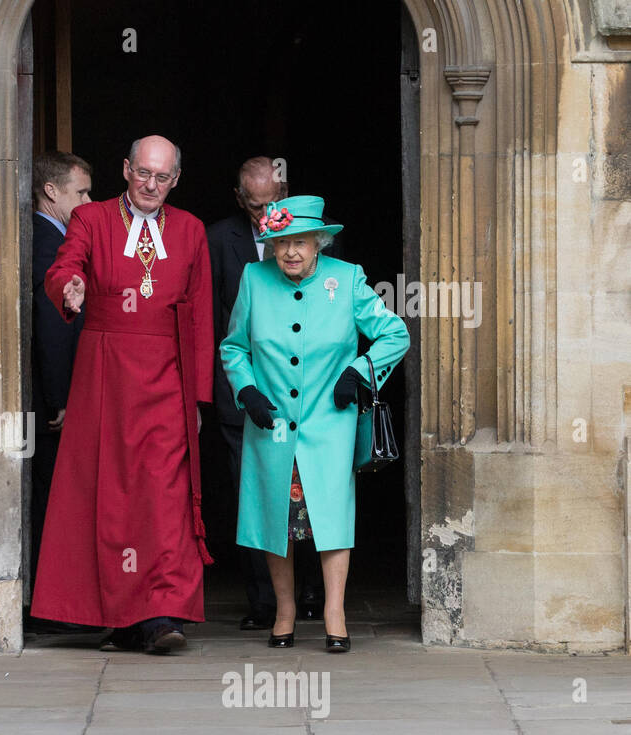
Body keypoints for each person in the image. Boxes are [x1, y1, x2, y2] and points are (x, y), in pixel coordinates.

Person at [31, 135, 215, 655]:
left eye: (162, 177)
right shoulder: (91, 220)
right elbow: (65, 264)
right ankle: (119, 613)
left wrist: (199, 398)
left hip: (168, 377)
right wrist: (68, 287)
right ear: (126, 170)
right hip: (106, 373)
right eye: (143, 174)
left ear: (175, 180)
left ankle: (159, 613)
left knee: (164, 497)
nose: (151, 185)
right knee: (110, 495)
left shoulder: (192, 230)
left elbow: (200, 315)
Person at [220, 195, 409, 652]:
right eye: (280, 242)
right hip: (272, 425)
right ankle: (284, 611)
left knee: (330, 517)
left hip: (329, 424)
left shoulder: (346, 280)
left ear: (319, 244)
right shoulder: (254, 278)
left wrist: (357, 372)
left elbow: (394, 333)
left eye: (300, 243)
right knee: (276, 518)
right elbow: (234, 347)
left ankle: (334, 612)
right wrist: (246, 390)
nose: (289, 253)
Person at [208, 157, 329, 630]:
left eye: (273, 203)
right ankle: (264, 603)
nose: (265, 216)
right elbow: (219, 326)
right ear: (241, 200)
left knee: (312, 496)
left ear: (286, 192)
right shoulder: (218, 239)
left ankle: (314, 592)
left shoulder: (317, 239)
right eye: (256, 206)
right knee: (256, 500)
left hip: (311, 400)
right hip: (245, 398)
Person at [28, 151, 92, 626]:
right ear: (52, 192)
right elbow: (53, 329)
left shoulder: (54, 238)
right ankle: (49, 609)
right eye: (81, 193)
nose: (88, 202)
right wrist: (62, 399)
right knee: (52, 500)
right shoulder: (49, 245)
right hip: (52, 404)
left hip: (50, 399)